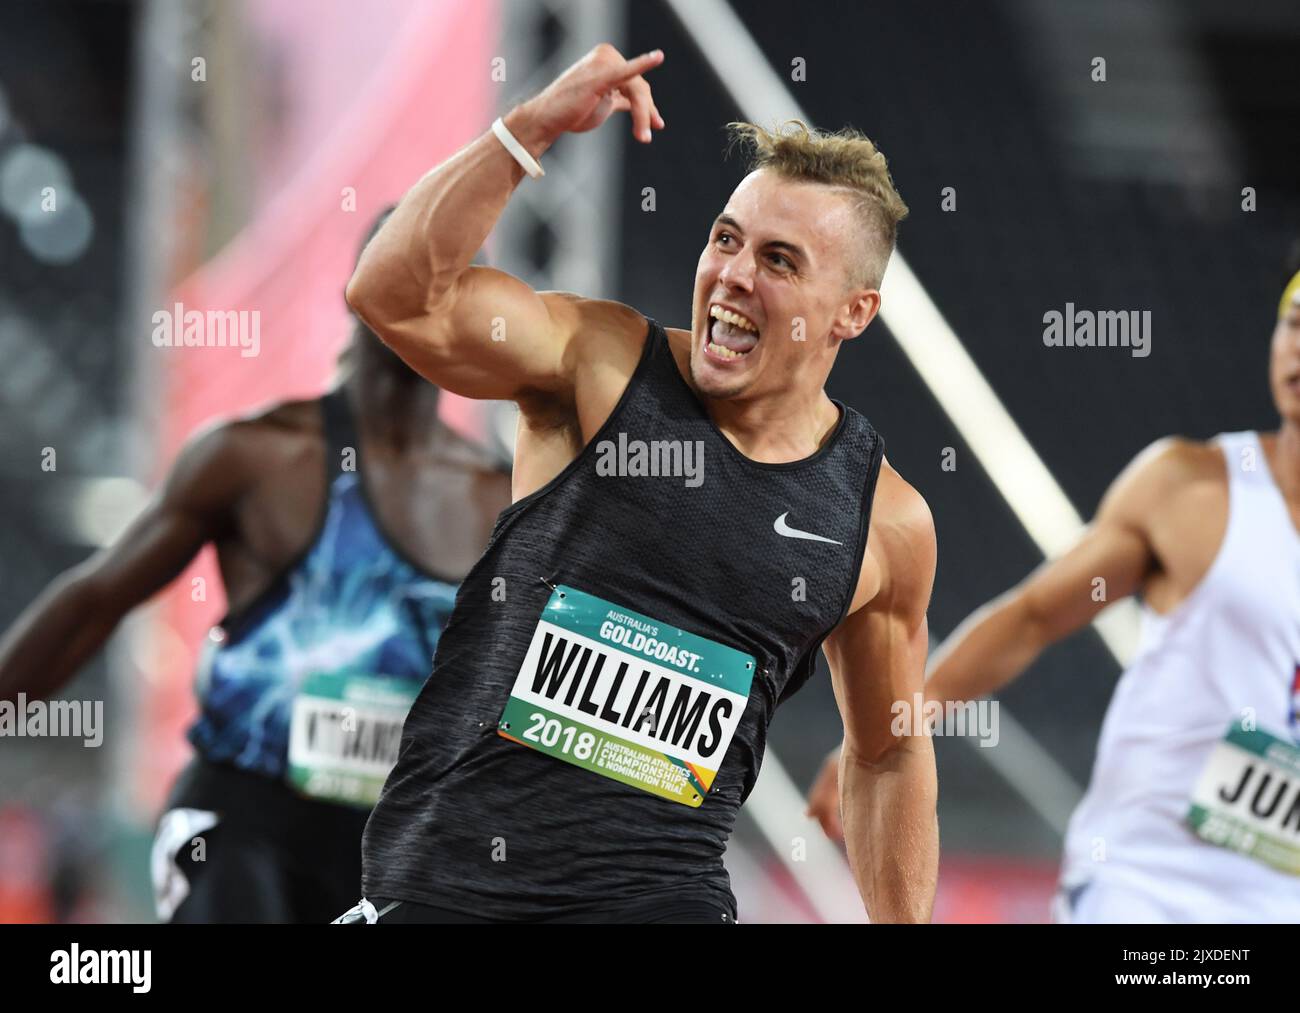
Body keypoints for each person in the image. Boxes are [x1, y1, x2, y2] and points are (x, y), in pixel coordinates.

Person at [337, 43, 937, 925]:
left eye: (779, 260)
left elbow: (887, 754)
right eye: (725, 239)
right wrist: (524, 131)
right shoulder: (601, 364)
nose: (732, 275)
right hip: (446, 890)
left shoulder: (881, 521)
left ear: (853, 311)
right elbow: (393, 297)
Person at [0, 212, 512, 922]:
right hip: (242, 822)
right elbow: (94, 601)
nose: (426, 297)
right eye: (406, 272)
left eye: (452, 283)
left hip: (398, 853)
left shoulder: (505, 498)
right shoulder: (258, 456)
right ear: (358, 291)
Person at [808, 257, 1300, 923]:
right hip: (1143, 888)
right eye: (1293, 325)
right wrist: (883, 733)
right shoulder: (1195, 487)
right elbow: (1031, 617)